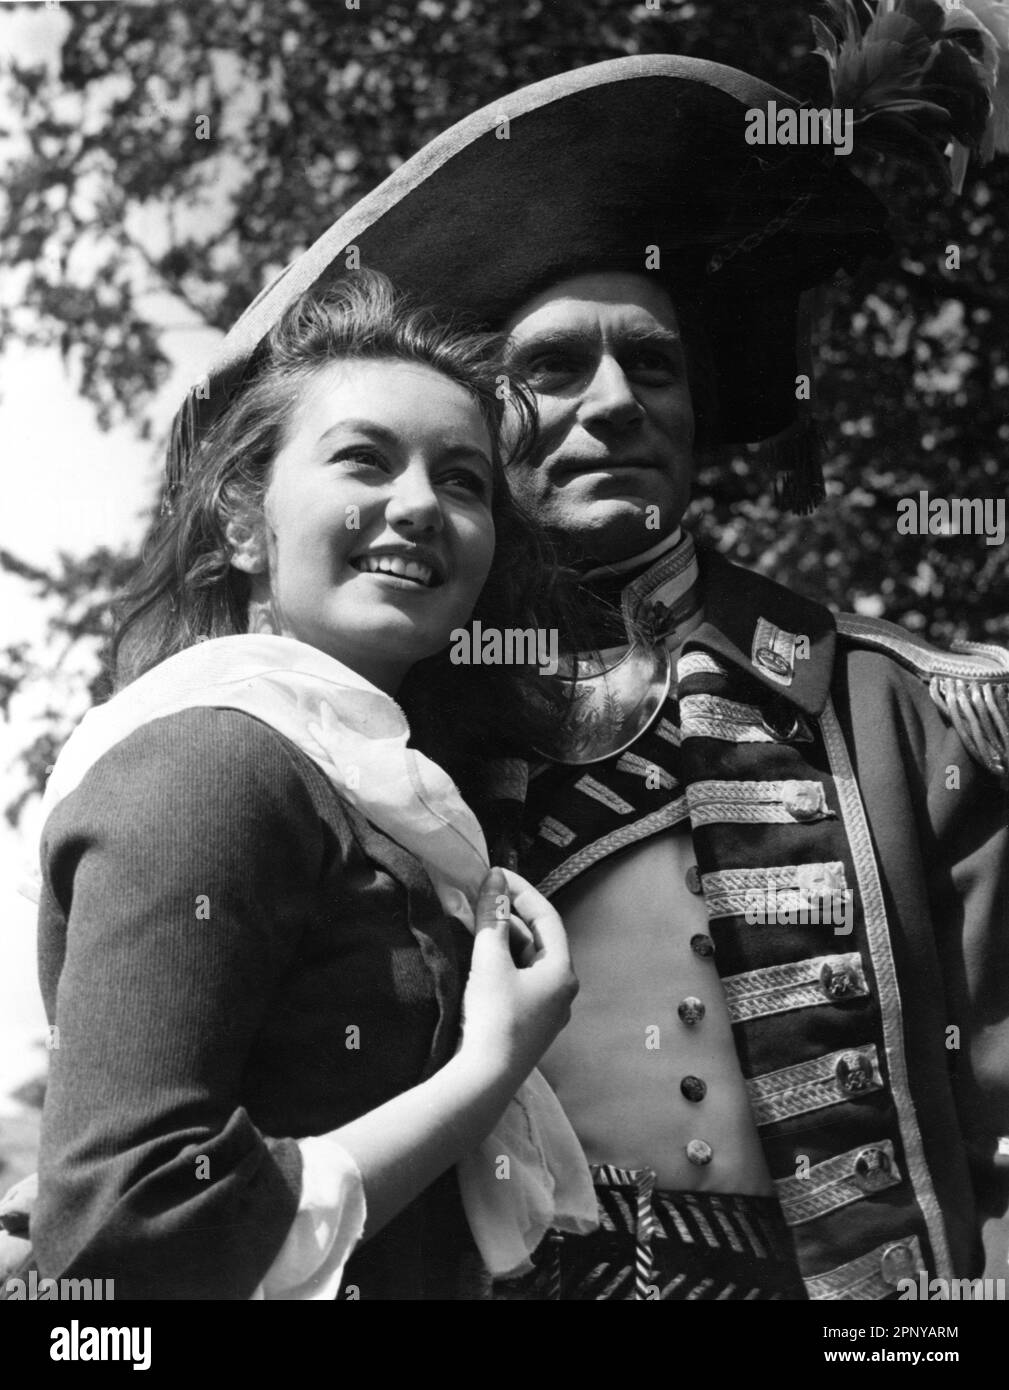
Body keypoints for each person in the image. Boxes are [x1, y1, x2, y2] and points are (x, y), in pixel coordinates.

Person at [135, 51, 1006, 1301]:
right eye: (552, 371)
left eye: (652, 366)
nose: (612, 403)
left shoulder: (902, 708)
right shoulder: (352, 725)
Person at [1, 270, 597, 1301]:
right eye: (364, 458)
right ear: (243, 523)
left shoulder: (380, 790)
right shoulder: (214, 761)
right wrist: (486, 1066)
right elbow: (128, 1219)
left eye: (462, 481)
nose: (418, 505)